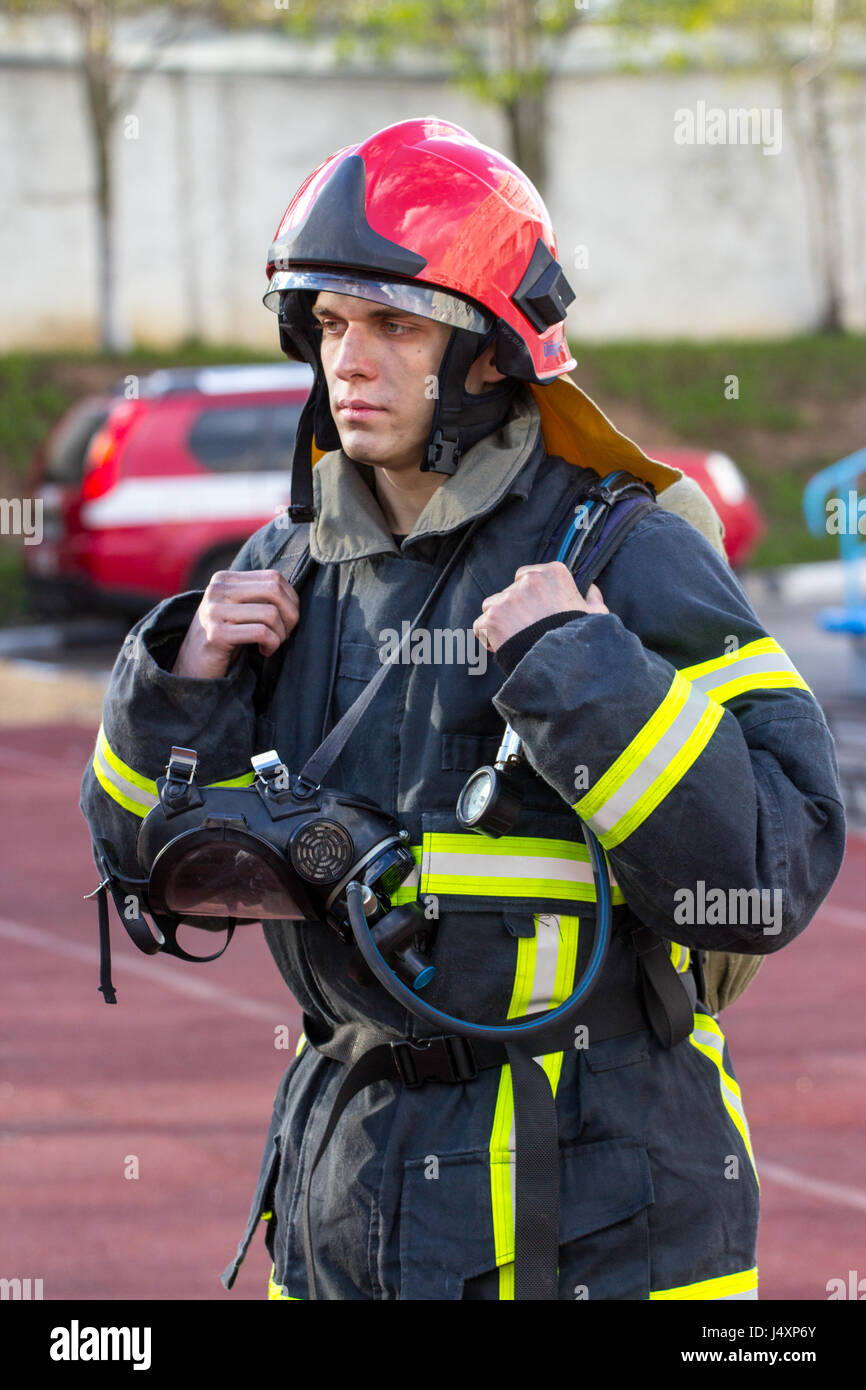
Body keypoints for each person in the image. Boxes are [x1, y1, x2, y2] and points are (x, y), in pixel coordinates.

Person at [79, 116, 846, 1302]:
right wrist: (172, 686)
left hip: (603, 1214)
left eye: (394, 323)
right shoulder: (284, 571)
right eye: (331, 324)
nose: (350, 359)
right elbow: (138, 861)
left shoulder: (622, 550)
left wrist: (585, 673)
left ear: (491, 351)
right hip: (344, 1203)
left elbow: (767, 868)